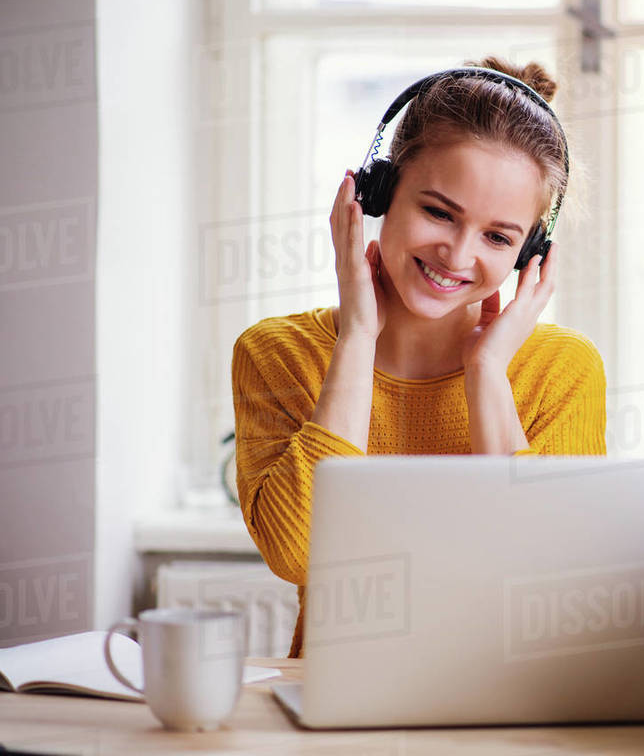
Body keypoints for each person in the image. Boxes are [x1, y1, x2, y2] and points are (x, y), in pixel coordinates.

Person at [229, 57, 607, 658]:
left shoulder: (563, 370)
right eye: (438, 212)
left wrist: (487, 375)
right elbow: (299, 553)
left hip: (512, 707)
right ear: (377, 194)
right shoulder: (277, 354)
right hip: (341, 707)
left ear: (531, 252)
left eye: (499, 237)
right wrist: (356, 339)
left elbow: (548, 581)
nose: (458, 255)